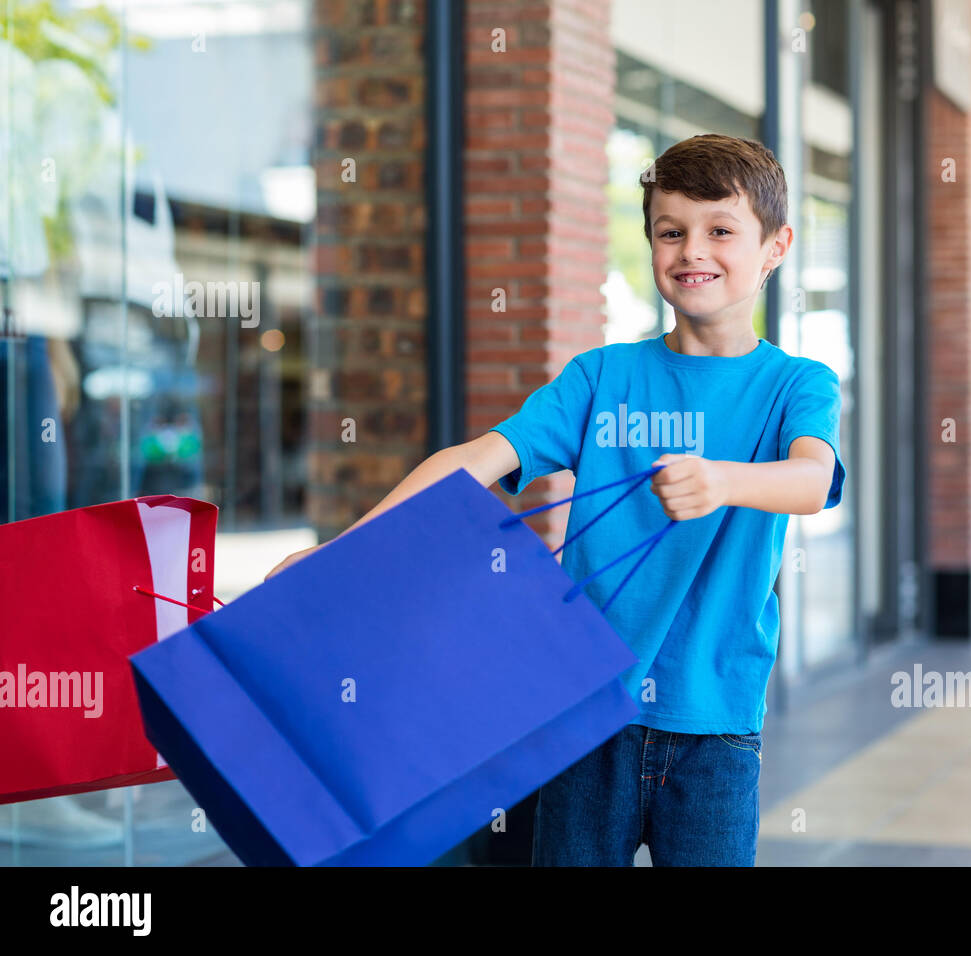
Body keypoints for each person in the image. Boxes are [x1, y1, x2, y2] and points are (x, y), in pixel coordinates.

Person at [266, 134, 846, 866]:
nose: (692, 250)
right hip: (584, 713)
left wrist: (725, 480)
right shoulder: (601, 376)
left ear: (775, 247)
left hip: (716, 726)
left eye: (720, 231)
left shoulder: (796, 385)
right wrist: (337, 555)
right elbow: (475, 459)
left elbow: (813, 479)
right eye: (671, 232)